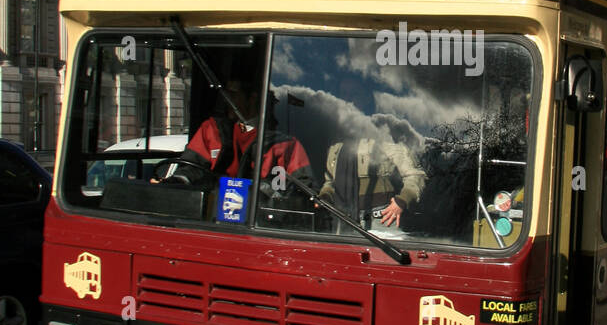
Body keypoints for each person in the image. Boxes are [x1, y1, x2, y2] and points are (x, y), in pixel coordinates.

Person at [157, 76, 311, 189]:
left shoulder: (285, 144)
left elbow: (303, 187)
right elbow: (190, 168)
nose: (227, 100)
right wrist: (179, 180)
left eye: (233, 95)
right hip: (209, 219)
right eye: (226, 94)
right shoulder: (212, 130)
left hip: (261, 222)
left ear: (252, 98)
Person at [319, 77, 425, 228]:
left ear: (366, 99)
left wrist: (402, 200)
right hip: (341, 219)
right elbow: (330, 181)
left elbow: (415, 175)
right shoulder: (336, 144)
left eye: (354, 94)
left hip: (380, 217)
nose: (349, 100)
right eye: (344, 94)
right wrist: (325, 196)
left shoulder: (383, 135)